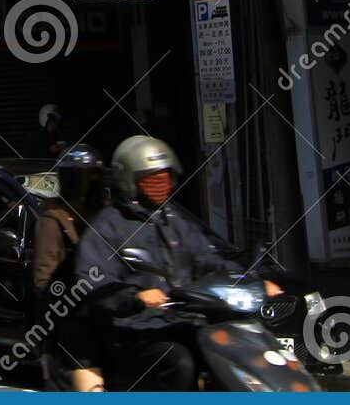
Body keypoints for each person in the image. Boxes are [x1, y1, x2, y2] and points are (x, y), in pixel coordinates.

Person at [77, 136, 280, 391]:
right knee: (180, 361)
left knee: (234, 349)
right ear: (130, 181)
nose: (162, 186)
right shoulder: (107, 226)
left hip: (184, 322)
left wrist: (252, 281)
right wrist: (135, 297)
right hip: (135, 333)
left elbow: (208, 260)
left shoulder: (173, 220)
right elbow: (94, 283)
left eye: (166, 179)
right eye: (153, 180)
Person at [33, 144, 108, 391]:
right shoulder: (53, 220)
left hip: (110, 318)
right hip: (71, 324)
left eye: (93, 178)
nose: (88, 186)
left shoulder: (108, 216)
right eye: (81, 179)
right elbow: (44, 281)